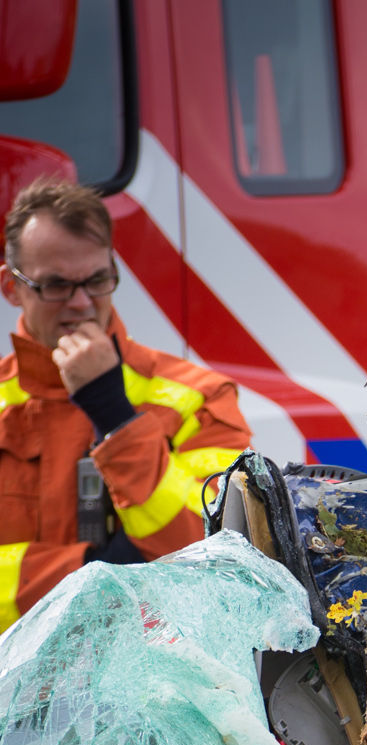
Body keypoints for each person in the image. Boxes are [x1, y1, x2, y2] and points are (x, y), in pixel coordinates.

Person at [0, 176, 251, 626]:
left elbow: (210, 552)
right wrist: (97, 574)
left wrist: (115, 418)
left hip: (150, 686)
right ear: (11, 287)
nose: (80, 303)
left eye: (96, 280)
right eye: (55, 286)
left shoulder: (201, 396)